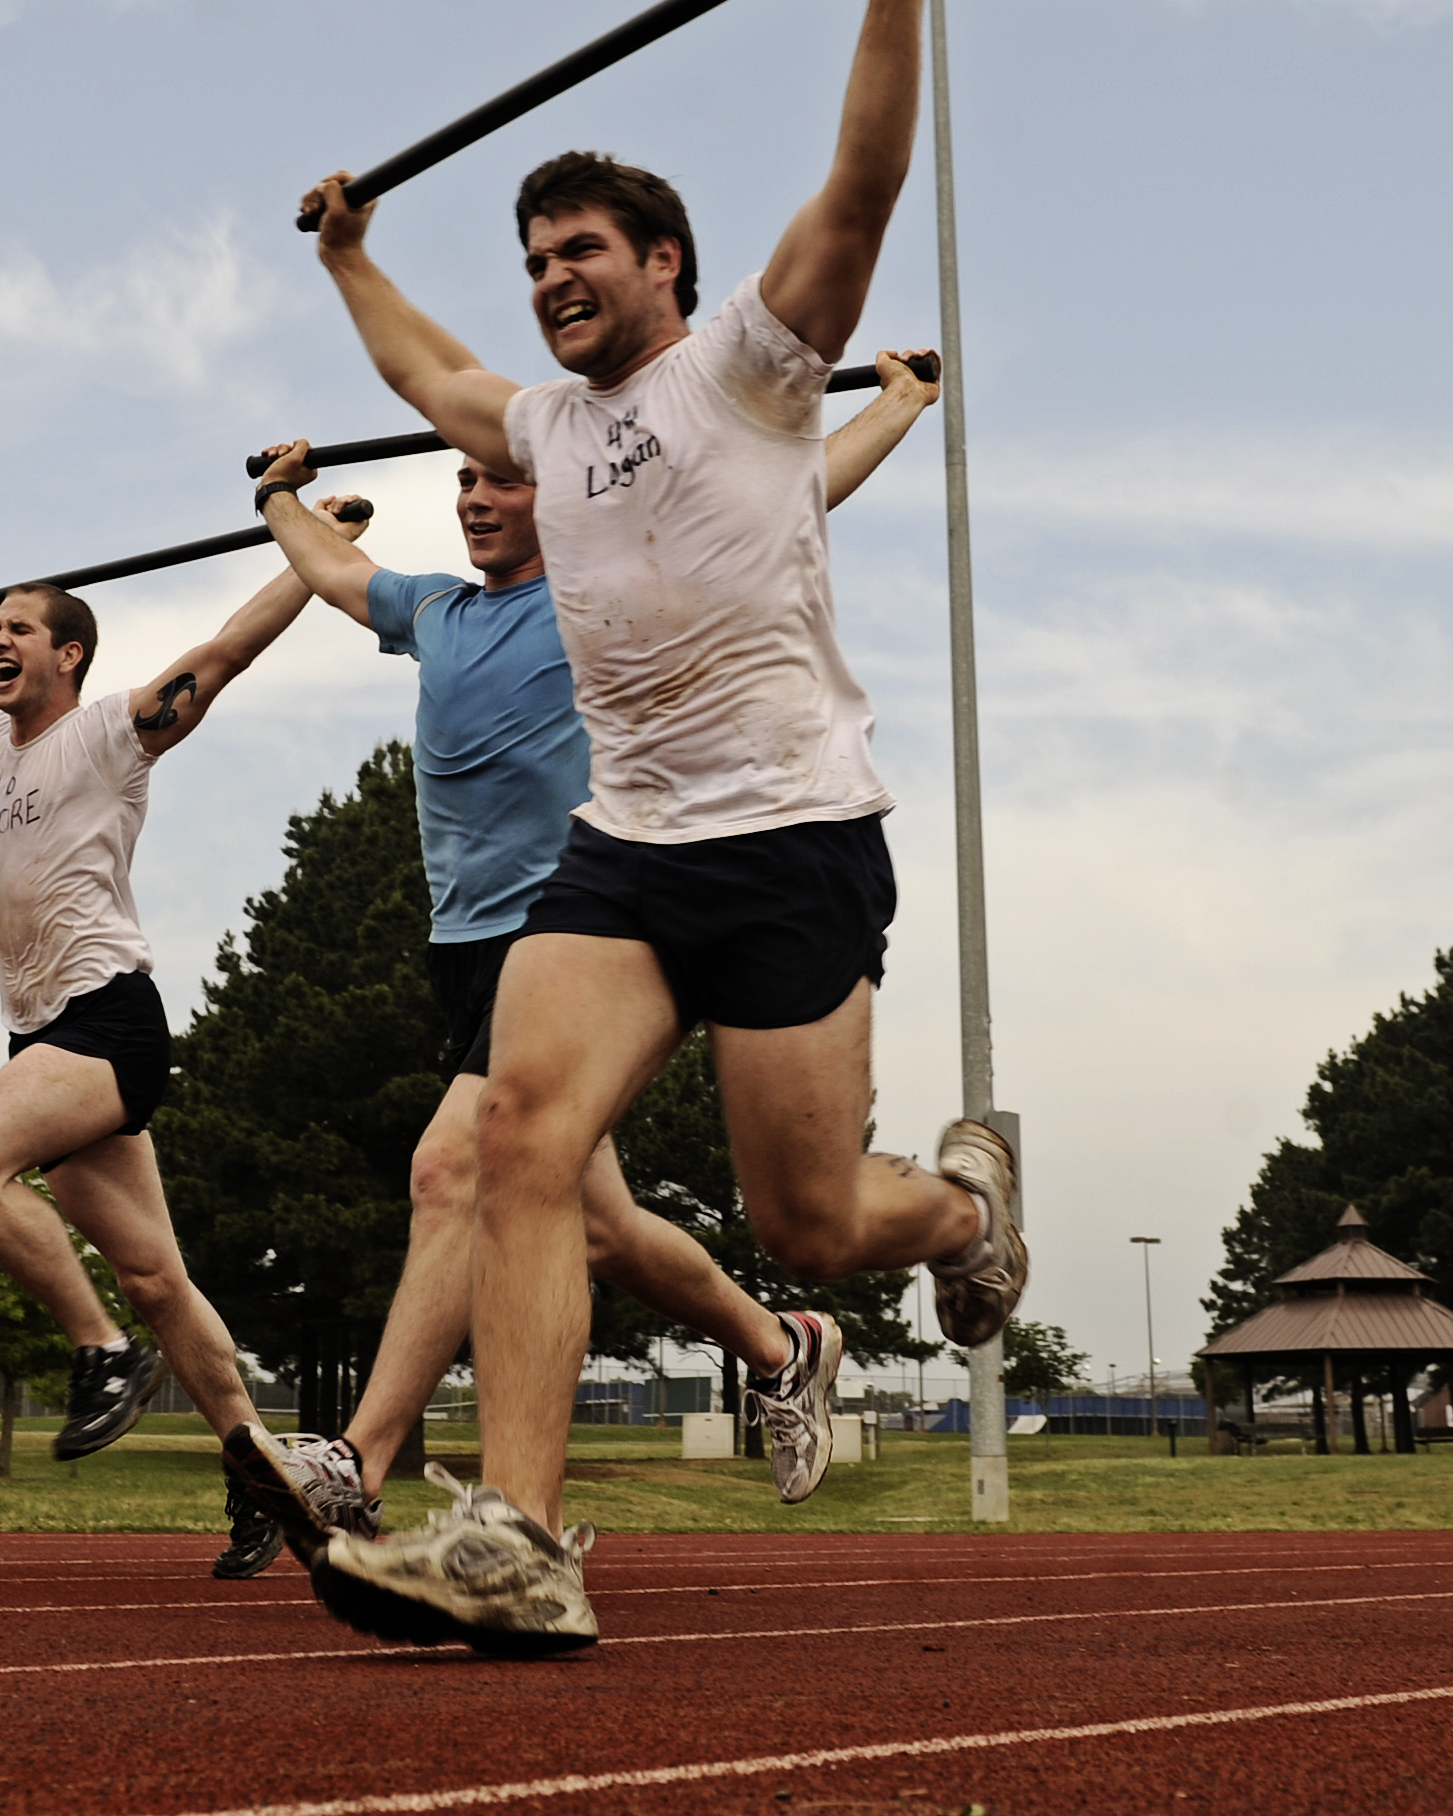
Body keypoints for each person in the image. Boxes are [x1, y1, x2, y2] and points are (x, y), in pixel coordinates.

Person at [291, 0, 1026, 1655]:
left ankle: (966, 1200)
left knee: (816, 1221)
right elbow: (433, 379)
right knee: (521, 1136)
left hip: (791, 836)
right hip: (624, 850)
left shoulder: (758, 371)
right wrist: (349, 254)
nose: (553, 281)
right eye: (535, 260)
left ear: (664, 265)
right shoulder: (539, 425)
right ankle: (519, 1533)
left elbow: (858, 191)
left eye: (583, 253)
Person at [218, 361, 941, 1563]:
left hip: (575, 936)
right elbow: (335, 573)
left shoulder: (608, 591)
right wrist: (284, 502)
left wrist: (895, 409)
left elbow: (794, 497)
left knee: (453, 1174)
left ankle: (356, 1461)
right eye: (462, 479)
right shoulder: (436, 612)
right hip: (460, 949)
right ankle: (782, 1345)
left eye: (501, 477)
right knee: (588, 1228)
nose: (474, 497)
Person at [0, 544, 358, 1577]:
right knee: (158, 1279)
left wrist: (315, 553)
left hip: (105, 1021)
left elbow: (223, 654)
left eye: (20, 631)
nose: (1, 644)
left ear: (70, 655)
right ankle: (263, 1476)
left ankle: (102, 1352)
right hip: (41, 1029)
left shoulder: (111, 732)